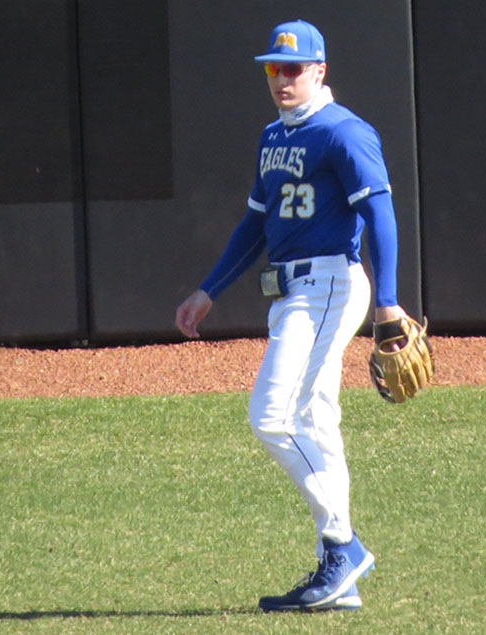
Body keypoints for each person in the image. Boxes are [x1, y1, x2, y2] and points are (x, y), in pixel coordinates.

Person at [174, 19, 411, 613]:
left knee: (272, 415)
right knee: (317, 420)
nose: (282, 78)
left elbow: (381, 215)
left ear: (320, 70)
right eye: (274, 69)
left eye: (294, 67)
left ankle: (343, 544)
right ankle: (341, 581)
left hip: (331, 282)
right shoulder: (273, 136)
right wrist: (209, 290)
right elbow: (256, 223)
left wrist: (388, 300)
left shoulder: (344, 132)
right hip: (291, 295)